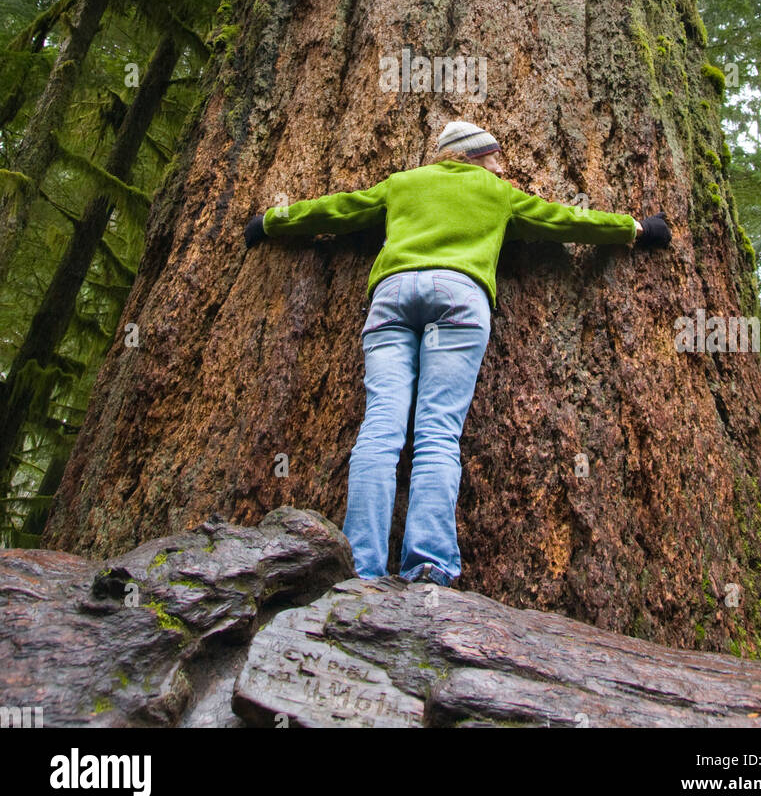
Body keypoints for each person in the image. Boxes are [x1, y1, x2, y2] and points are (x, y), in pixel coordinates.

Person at [243, 120, 671, 589]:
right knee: (438, 432)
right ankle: (427, 565)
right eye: (495, 156)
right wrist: (636, 227)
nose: (501, 165)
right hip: (458, 297)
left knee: (380, 428)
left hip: (393, 294)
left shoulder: (403, 183)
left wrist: (269, 222)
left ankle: (360, 565)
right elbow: (567, 220)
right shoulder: (499, 192)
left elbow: (336, 210)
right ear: (472, 156)